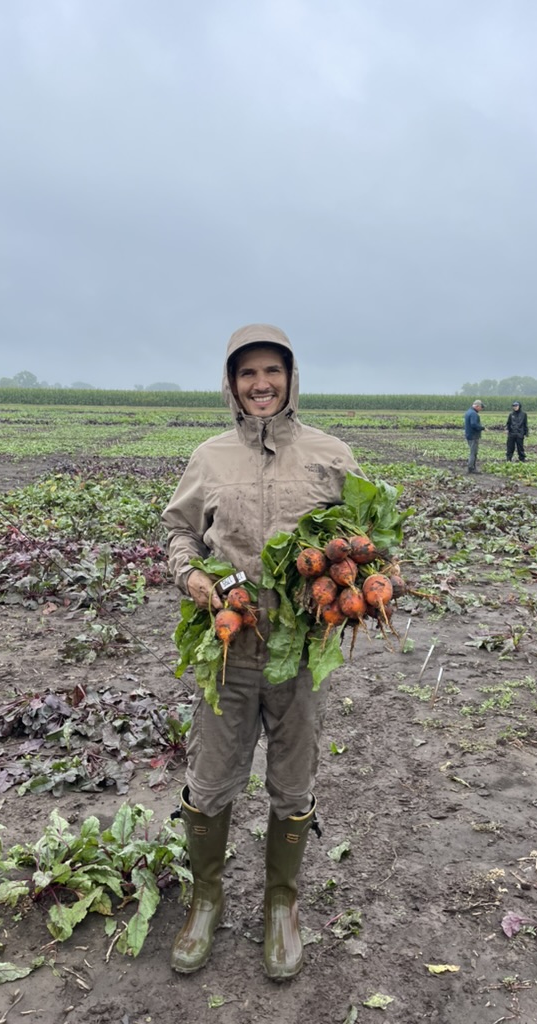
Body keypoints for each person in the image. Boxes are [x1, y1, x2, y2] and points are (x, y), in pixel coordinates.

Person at [161, 324, 363, 981]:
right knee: (211, 778)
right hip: (229, 646)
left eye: (271, 371)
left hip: (300, 650)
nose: (260, 384)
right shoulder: (210, 457)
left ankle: (282, 906)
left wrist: (349, 588)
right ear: (231, 383)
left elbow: (366, 540)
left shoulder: (330, 455)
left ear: (291, 376)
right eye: (247, 374)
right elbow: (179, 533)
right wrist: (191, 578)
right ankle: (205, 899)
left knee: (292, 780)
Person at [464, 399, 484, 473]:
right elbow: (474, 424)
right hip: (473, 436)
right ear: (477, 406)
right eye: (481, 407)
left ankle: (471, 467)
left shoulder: (468, 412)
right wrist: (482, 428)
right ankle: (471, 467)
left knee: (473, 451)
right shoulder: (473, 414)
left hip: (469, 435)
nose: (481, 409)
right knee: (473, 452)